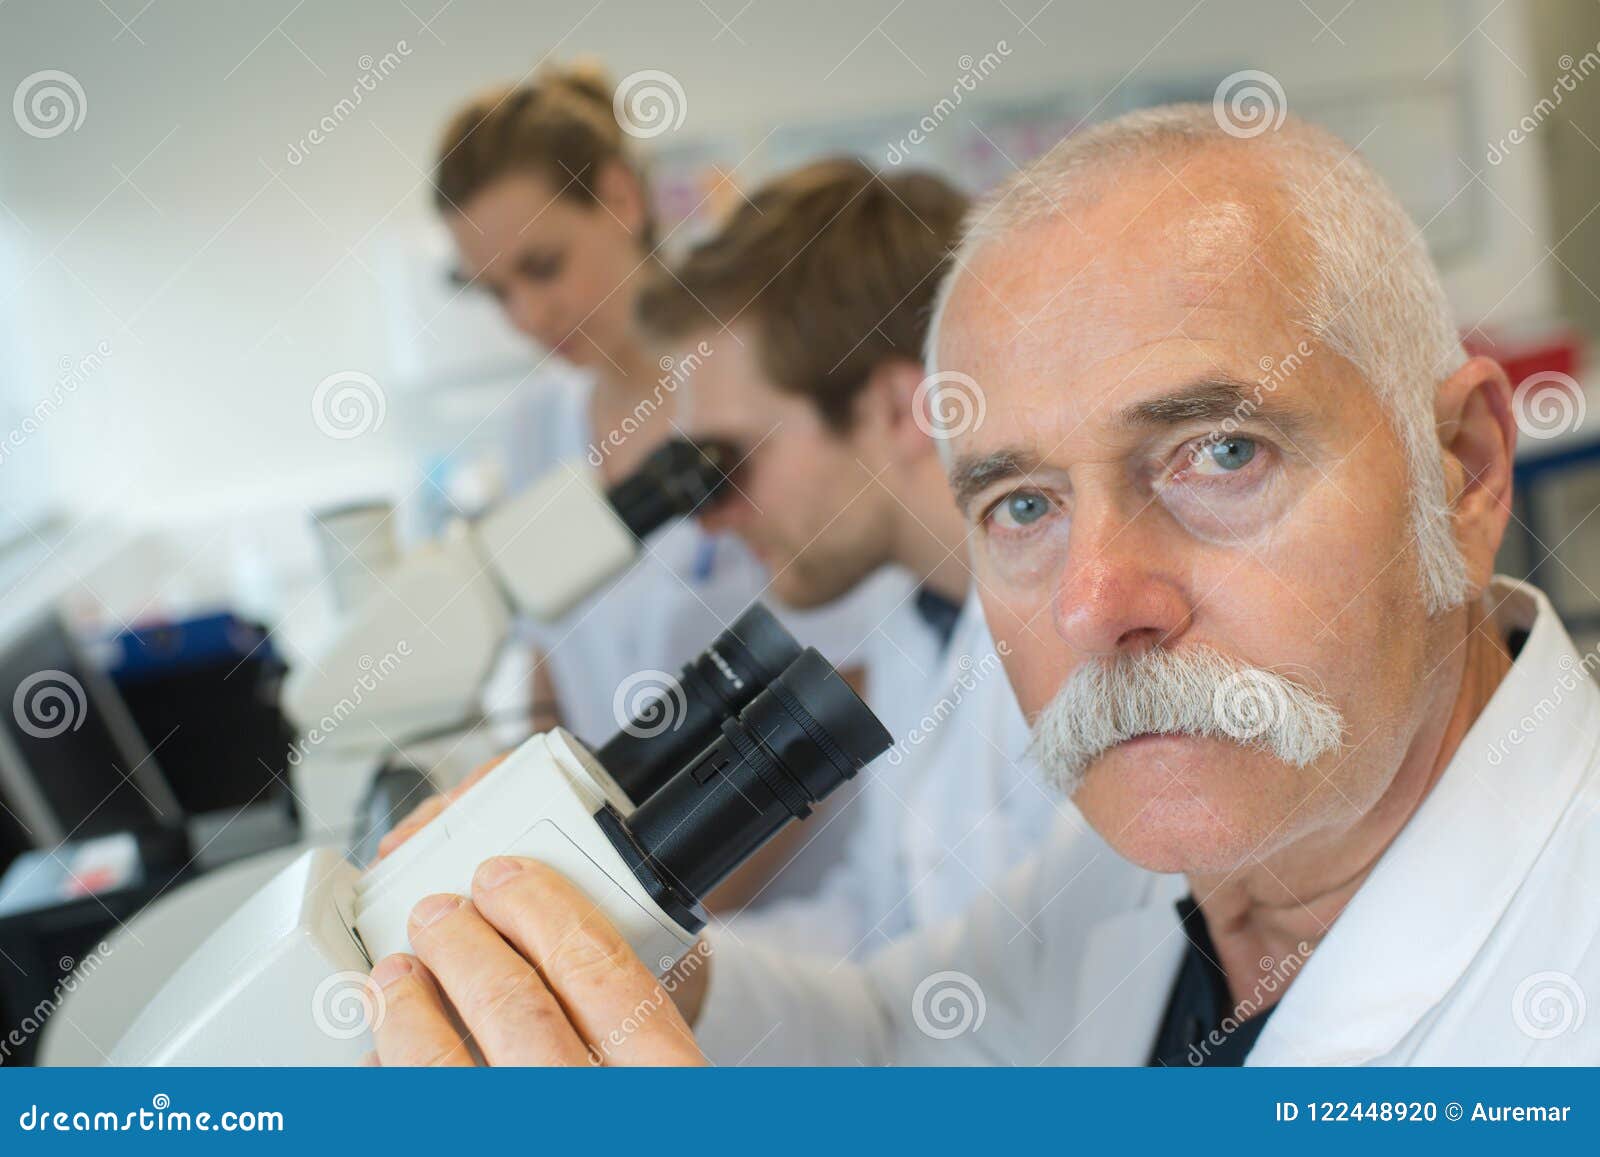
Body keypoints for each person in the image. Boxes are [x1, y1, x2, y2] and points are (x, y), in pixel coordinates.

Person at [364, 104, 1600, 1067]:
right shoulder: (1152, 868)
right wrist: (645, 971)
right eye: (1022, 505)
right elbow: (902, 1038)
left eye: (1221, 452)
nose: (1093, 603)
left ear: (1464, 468)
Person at [420, 65, 913, 902]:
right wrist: (553, 842)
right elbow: (549, 664)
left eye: (544, 267)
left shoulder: (740, 385)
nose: (528, 317)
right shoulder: (536, 426)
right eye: (496, 292)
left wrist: (681, 893)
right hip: (633, 879)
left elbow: (852, 664)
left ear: (618, 196)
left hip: (798, 878)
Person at [635, 158, 1074, 955]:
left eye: (729, 462)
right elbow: (882, 918)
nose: (711, 519)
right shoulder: (912, 623)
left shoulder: (1079, 638)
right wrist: (652, 964)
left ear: (903, 408)